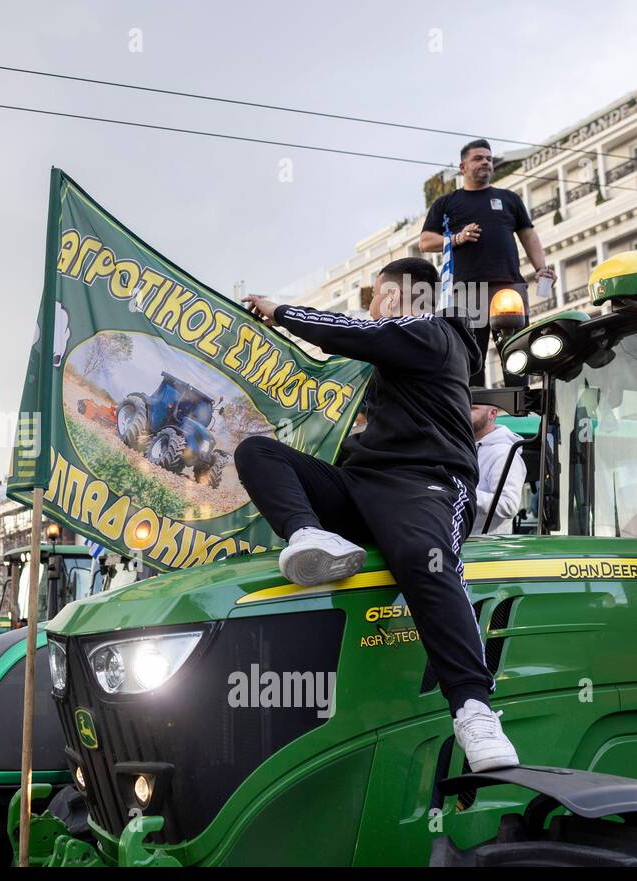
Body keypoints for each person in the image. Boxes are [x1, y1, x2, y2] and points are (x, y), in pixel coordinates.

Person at [237, 257, 518, 772]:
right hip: (364, 485)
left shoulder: (435, 334)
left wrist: (280, 312)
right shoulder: (393, 361)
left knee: (424, 557)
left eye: (374, 298)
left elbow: (353, 332)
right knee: (257, 452)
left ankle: (474, 708)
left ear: (393, 298)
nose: (371, 308)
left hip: (426, 483)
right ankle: (309, 536)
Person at [420, 139, 555, 386]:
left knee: (517, 350)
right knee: (472, 357)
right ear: (462, 167)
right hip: (468, 289)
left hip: (509, 285)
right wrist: (457, 238)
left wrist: (541, 268)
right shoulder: (446, 203)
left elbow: (528, 234)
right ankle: (475, 412)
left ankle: (520, 409)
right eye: (478, 158)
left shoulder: (509, 198)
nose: (485, 162)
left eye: (489, 158)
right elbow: (425, 241)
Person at [471, 404, 526, 535]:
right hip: (462, 544)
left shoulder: (503, 453)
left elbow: (508, 505)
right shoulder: (464, 448)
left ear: (492, 413)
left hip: (488, 549)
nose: (463, 411)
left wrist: (464, 492)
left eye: (472, 408)